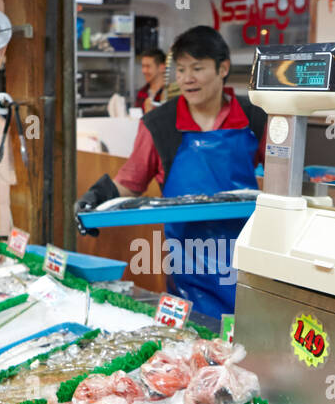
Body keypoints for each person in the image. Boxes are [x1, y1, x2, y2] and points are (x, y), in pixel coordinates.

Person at [75, 26, 267, 319]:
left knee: (251, 337)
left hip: (247, 256)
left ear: (223, 68)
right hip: (187, 262)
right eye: (180, 70)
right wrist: (96, 197)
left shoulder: (254, 117)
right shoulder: (160, 124)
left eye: (197, 68)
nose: (187, 78)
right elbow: (131, 181)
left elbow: (282, 176)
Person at [134, 48, 168, 112]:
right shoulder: (142, 93)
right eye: (143, 66)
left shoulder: (171, 93)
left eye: (148, 66)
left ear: (162, 68)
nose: (144, 71)